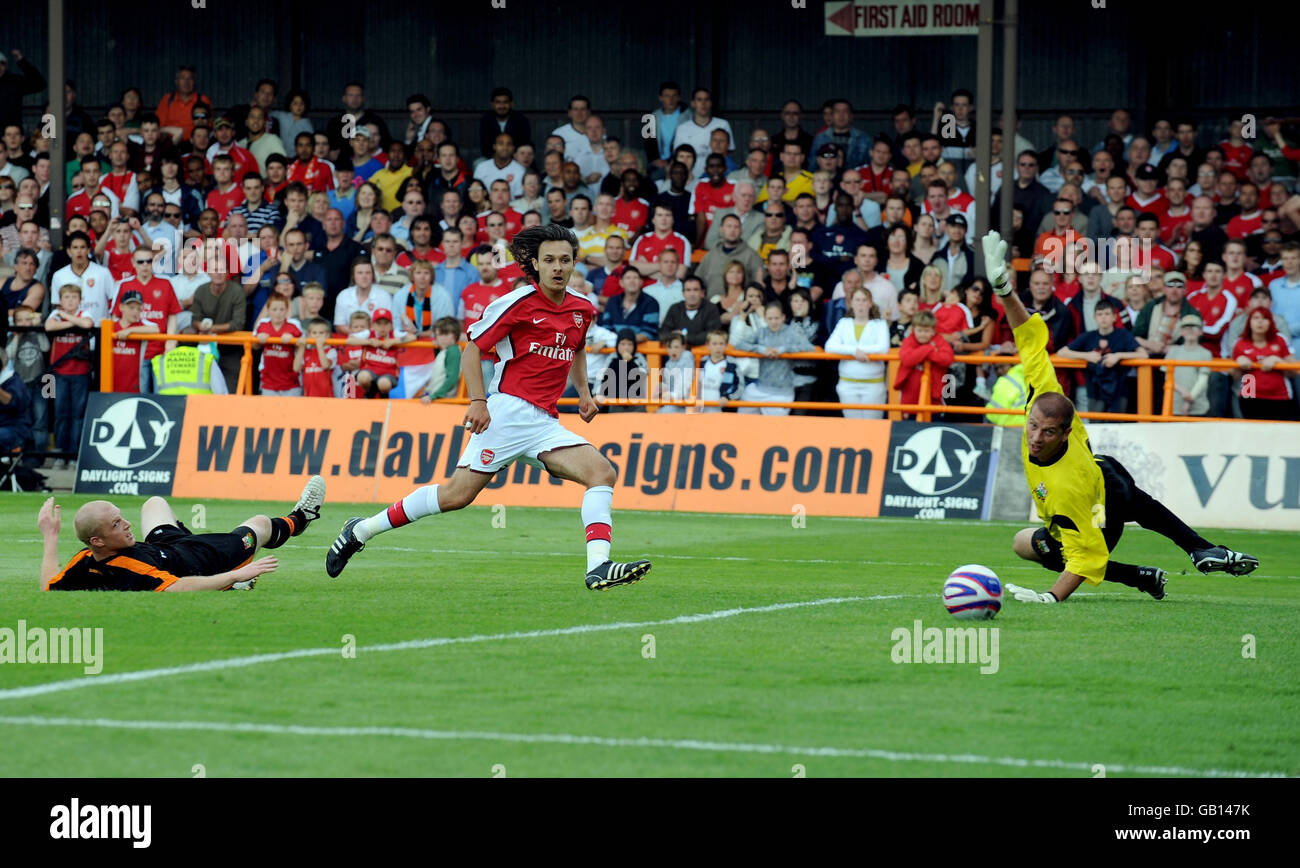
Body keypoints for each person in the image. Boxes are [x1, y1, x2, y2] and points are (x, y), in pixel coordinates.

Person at [325, 224, 652, 591]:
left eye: (565, 260)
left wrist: (584, 393)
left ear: (575, 263)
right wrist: (479, 402)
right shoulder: (516, 304)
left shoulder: (581, 309)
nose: (558, 267)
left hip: (544, 421)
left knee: (602, 473)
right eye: (549, 260)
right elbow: (472, 350)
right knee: (455, 496)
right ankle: (361, 529)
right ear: (535, 265)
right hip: (507, 413)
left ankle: (598, 567)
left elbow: (575, 347)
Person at [978, 228, 1259, 606]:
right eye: (1033, 427)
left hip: (1098, 502)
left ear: (1065, 434)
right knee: (1023, 543)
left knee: (1076, 545)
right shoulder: (1044, 399)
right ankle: (1199, 550)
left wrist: (1050, 597)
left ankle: (1163, 566)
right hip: (1103, 472)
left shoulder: (1068, 487)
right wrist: (1003, 291)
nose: (1035, 437)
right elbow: (1030, 340)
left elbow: (1086, 556)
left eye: (1046, 432)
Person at [39, 477, 324, 592]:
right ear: (97, 541)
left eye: (121, 517)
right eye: (116, 525)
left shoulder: (87, 557)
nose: (126, 524)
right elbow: (180, 587)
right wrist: (235, 576)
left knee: (154, 503)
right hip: (205, 559)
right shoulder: (132, 570)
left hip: (167, 546)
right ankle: (301, 518)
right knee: (259, 524)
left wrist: (50, 537)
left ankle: (185, 534)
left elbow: (50, 585)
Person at [1058, 298, 1146, 414]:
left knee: (1118, 427)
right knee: (1096, 425)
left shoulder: (1123, 335)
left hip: (1119, 391)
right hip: (1095, 392)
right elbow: (1062, 352)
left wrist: (1118, 356)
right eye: (1100, 314)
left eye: (1107, 314)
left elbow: (1143, 355)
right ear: (1095, 318)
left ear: (1114, 317)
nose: (1103, 317)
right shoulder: (1088, 336)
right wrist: (1086, 356)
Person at [733, 300, 814, 416]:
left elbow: (809, 347)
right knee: (743, 420)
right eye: (770, 319)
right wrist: (761, 350)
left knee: (775, 429)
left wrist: (784, 349)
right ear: (765, 319)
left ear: (783, 317)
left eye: (776, 318)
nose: (773, 322)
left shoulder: (791, 332)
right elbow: (739, 344)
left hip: (782, 392)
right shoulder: (761, 332)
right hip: (760, 388)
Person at [825, 286, 889, 419]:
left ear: (870, 303)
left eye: (864, 300)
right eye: (857, 300)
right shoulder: (844, 323)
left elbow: (883, 348)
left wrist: (856, 351)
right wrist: (854, 351)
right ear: (851, 303)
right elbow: (829, 347)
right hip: (847, 384)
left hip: (873, 384)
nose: (860, 303)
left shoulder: (880, 324)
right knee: (852, 428)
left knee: (872, 428)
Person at [1231, 307, 1296, 420]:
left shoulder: (1280, 340)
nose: (1260, 321)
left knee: (1278, 435)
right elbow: (1234, 376)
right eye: (1256, 318)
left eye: (1265, 318)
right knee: (1253, 434)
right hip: (1249, 396)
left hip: (1280, 397)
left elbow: (1295, 372)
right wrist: (1238, 364)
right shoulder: (1240, 343)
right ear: (1249, 322)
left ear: (1271, 322)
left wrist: (1278, 361)